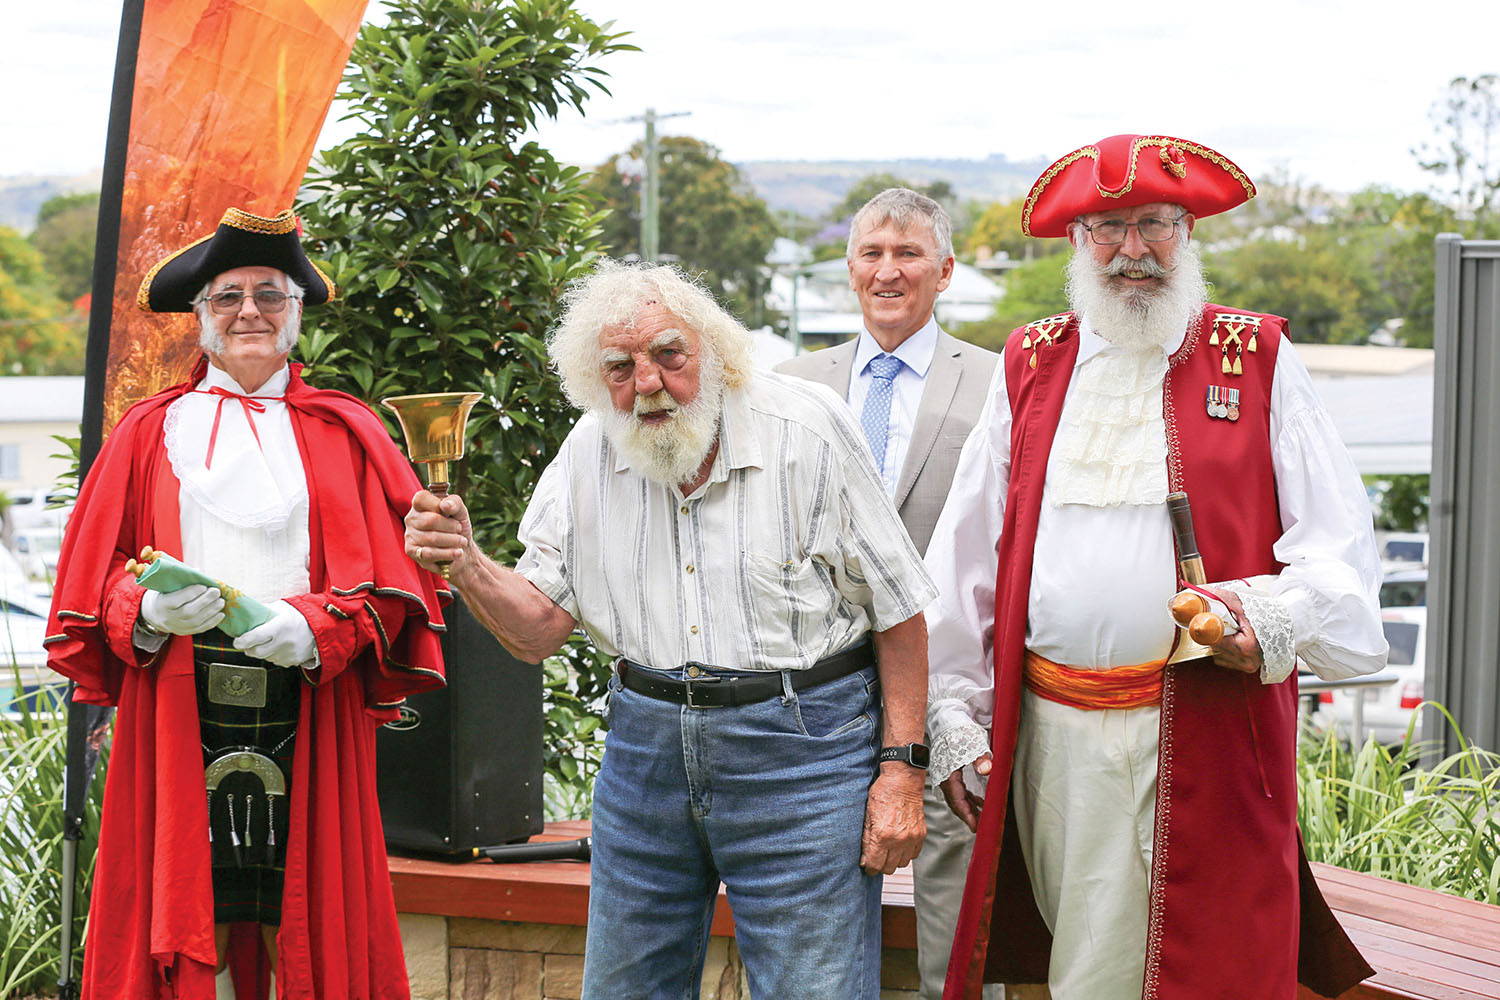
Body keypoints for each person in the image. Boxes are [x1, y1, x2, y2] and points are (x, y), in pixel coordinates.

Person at [923, 135, 1388, 1000]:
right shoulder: (1028, 363)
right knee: (1085, 963)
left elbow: (1336, 553)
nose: (1132, 250)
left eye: (1154, 226)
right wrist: (955, 711)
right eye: (1107, 228)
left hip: (1212, 731)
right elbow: (965, 558)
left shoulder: (1258, 357)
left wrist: (1264, 617)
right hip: (1052, 738)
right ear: (1076, 244)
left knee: (1218, 962)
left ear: (1187, 234)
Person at [404, 259, 936, 999]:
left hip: (804, 757)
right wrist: (463, 561)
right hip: (644, 754)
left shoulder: (805, 428)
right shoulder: (588, 452)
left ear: (713, 353)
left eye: (668, 355)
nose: (647, 382)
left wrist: (901, 772)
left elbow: (900, 611)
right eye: (619, 367)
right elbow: (534, 632)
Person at [46, 207, 448, 1000]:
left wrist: (317, 626)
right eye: (229, 297)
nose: (250, 312)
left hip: (309, 700)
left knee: (300, 905)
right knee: (190, 903)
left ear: (296, 314)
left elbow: (399, 587)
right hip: (177, 702)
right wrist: (146, 613)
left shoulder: (349, 430)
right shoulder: (146, 430)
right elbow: (89, 585)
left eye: (271, 294)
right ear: (200, 320)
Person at [777, 187, 1001, 1000]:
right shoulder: (792, 386)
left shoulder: (1002, 383)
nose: (888, 270)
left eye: (907, 254)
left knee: (955, 913)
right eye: (872, 253)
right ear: (850, 269)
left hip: (946, 689)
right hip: (817, 694)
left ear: (944, 270)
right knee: (816, 918)